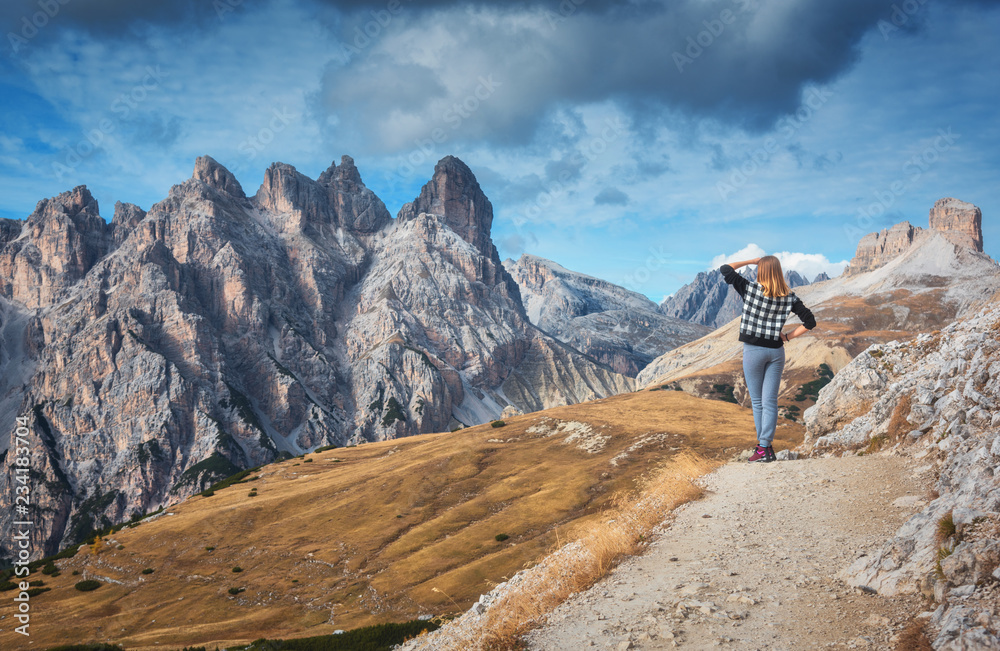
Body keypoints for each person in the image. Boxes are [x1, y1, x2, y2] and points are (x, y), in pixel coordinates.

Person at [720, 255, 816, 463]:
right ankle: (765, 447)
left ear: (760, 270)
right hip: (776, 352)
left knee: (757, 402)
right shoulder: (789, 297)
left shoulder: (750, 289)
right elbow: (810, 321)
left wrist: (752, 260)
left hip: (754, 351)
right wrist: (788, 336)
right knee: (770, 401)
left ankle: (763, 449)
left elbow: (725, 269)